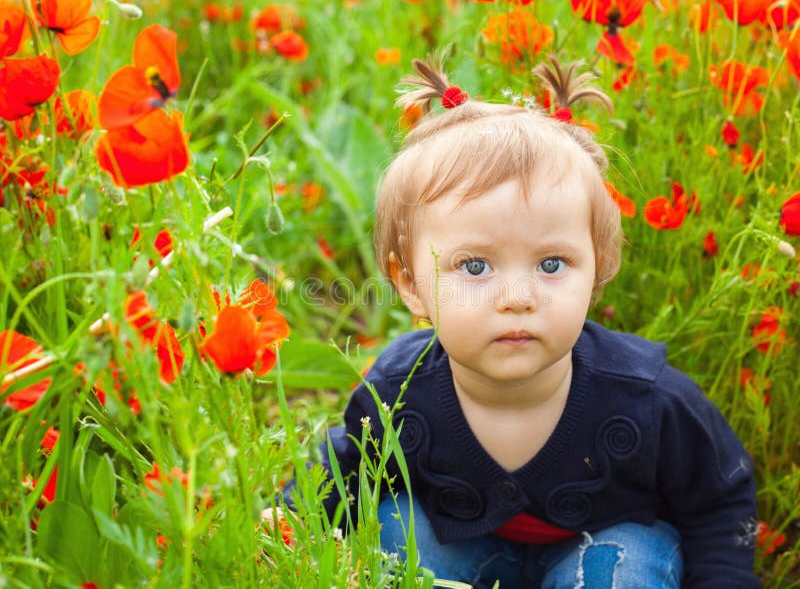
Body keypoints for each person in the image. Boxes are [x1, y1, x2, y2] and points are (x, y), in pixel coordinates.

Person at [275, 55, 761, 588]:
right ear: (411, 282)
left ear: (599, 266)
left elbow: (720, 497)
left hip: (602, 549)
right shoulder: (399, 390)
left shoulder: (645, 399)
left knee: (626, 567)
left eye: (551, 264)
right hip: (462, 552)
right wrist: (286, 526)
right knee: (390, 527)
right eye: (475, 266)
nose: (517, 297)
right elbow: (342, 471)